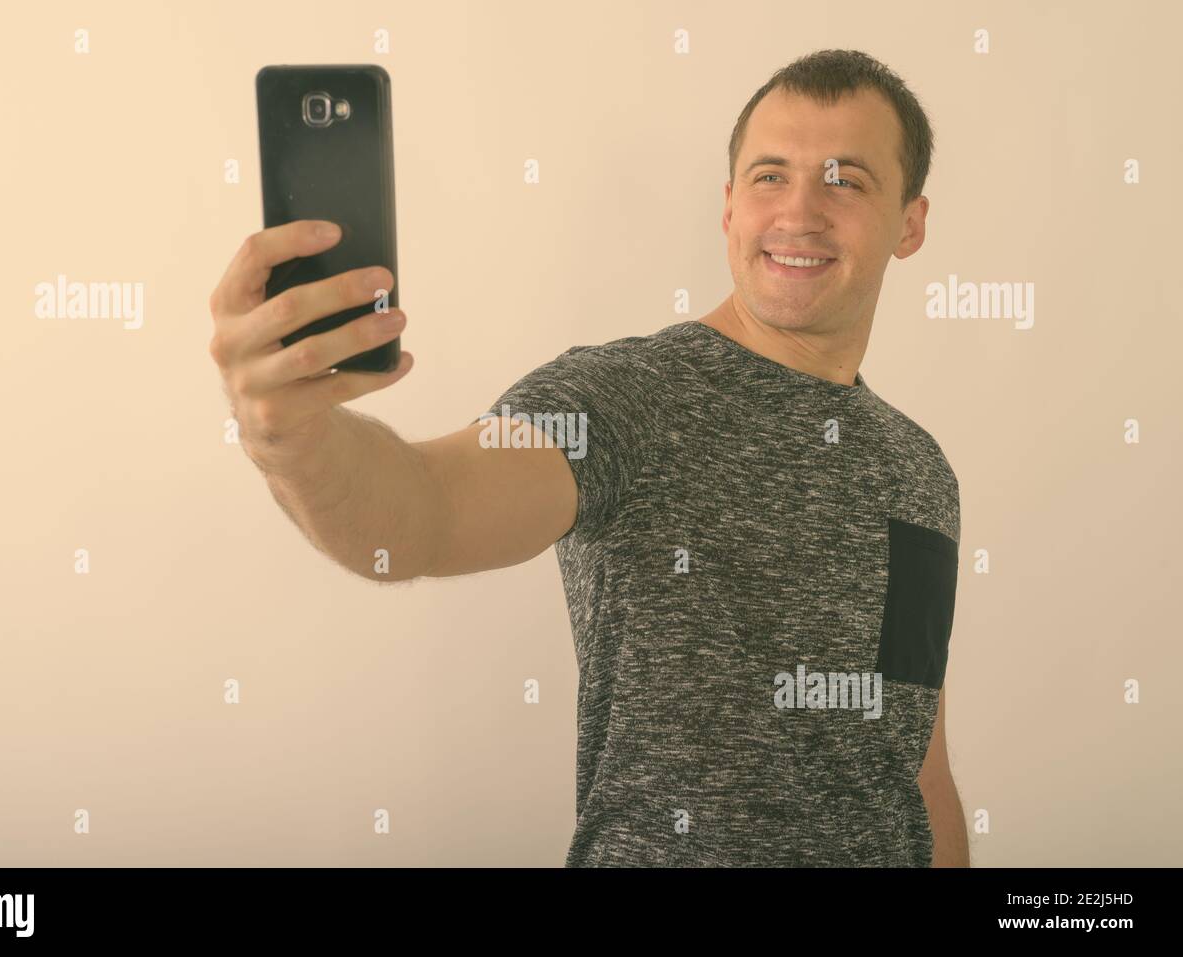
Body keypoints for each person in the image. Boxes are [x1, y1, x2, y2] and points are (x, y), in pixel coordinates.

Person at [207, 48, 968, 867]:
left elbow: (917, 767)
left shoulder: (918, 471)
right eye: (769, 177)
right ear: (728, 208)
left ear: (911, 224)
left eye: (844, 179)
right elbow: (426, 511)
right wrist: (291, 434)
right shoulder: (622, 398)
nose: (800, 212)